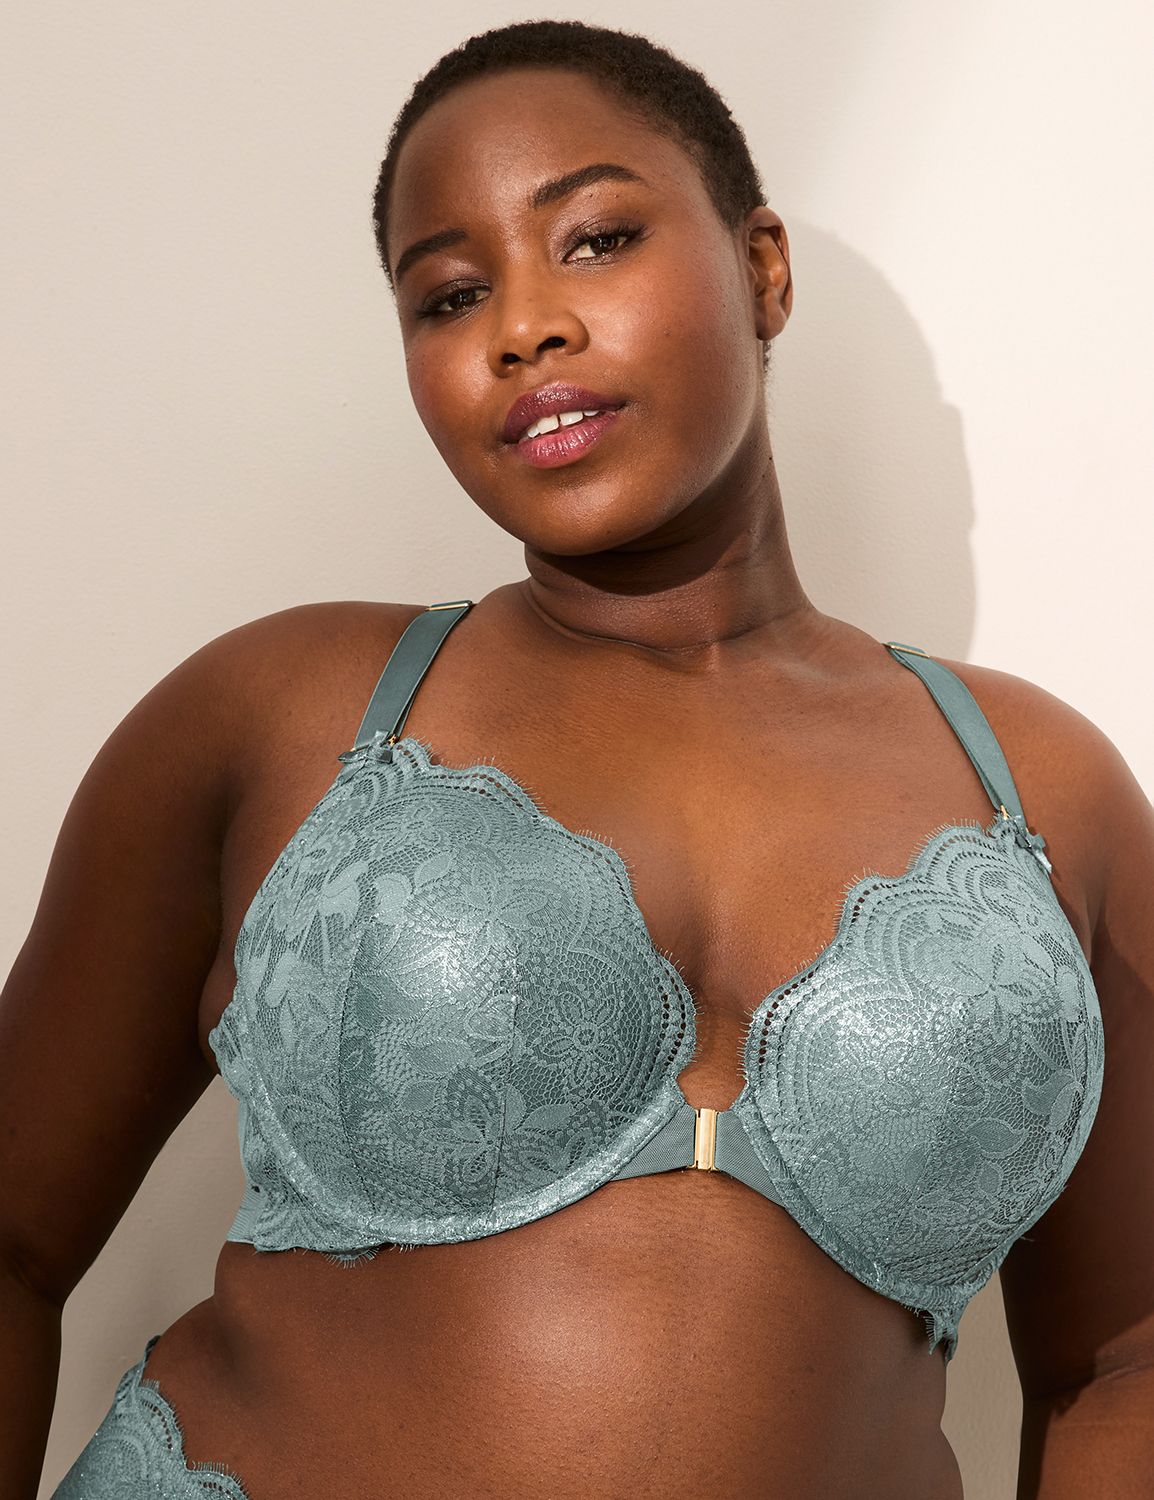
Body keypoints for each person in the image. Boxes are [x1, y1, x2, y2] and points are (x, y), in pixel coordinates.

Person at [6, 18, 1151, 1500]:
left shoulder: (1039, 790)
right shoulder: (284, 714)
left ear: (763, 268)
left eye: (596, 239)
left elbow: (1122, 1365)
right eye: (450, 294)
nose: (523, 327)